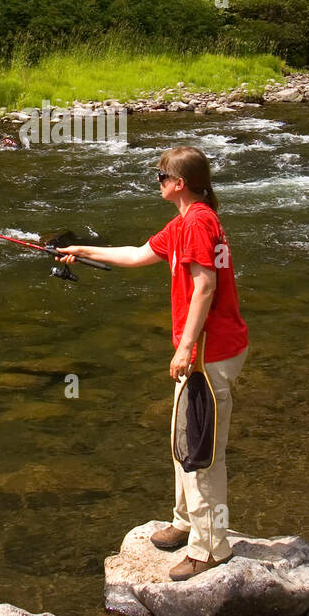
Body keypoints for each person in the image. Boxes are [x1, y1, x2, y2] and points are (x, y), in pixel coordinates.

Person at [57, 145, 248, 580]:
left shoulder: (198, 222)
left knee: (202, 453)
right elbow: (137, 254)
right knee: (184, 439)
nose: (157, 183)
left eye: (161, 177)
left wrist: (186, 349)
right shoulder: (183, 222)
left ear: (179, 183)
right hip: (203, 351)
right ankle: (185, 521)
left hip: (210, 352)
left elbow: (204, 288)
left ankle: (211, 547)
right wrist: (81, 250)